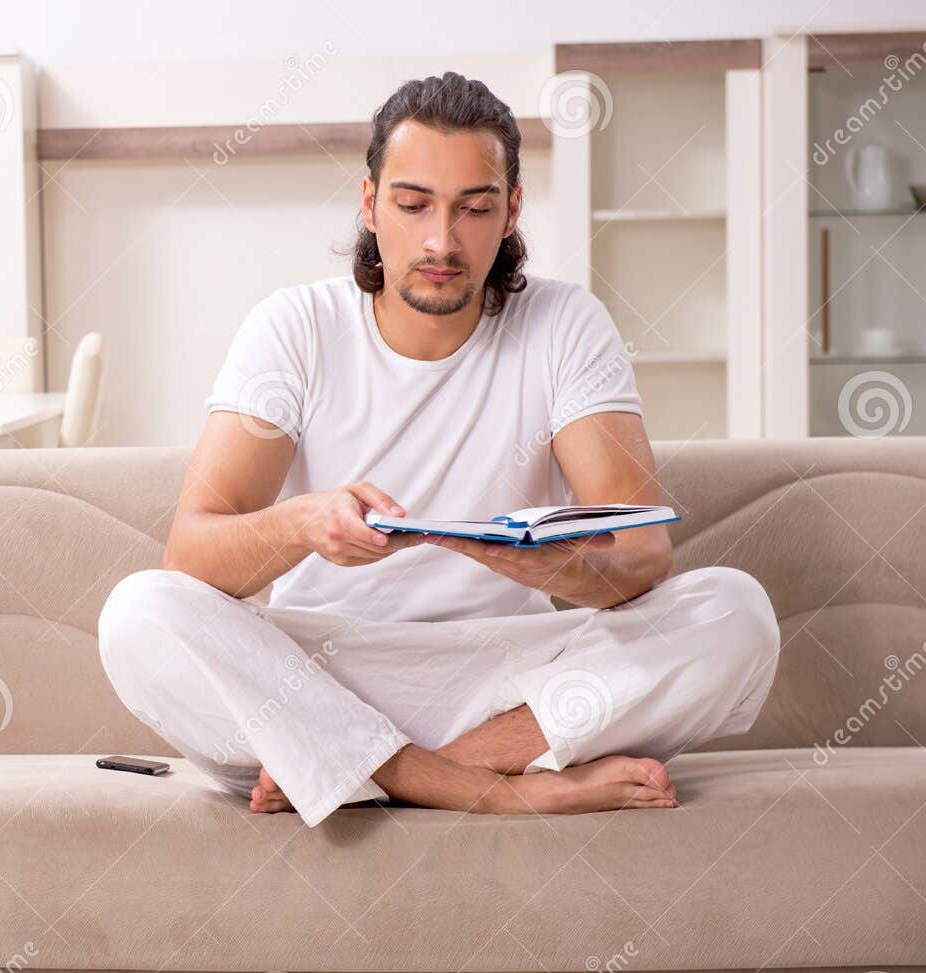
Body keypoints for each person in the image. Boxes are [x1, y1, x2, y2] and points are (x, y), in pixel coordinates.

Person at [96, 72, 780, 827]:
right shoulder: (294, 327)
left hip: (505, 678)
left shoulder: (564, 325)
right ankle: (492, 788)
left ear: (513, 209)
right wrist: (301, 525)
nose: (441, 242)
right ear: (369, 202)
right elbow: (190, 554)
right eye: (414, 204)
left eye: (475, 209)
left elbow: (645, 553)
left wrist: (563, 569)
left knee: (736, 612)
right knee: (138, 612)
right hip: (318, 676)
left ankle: (359, 770)